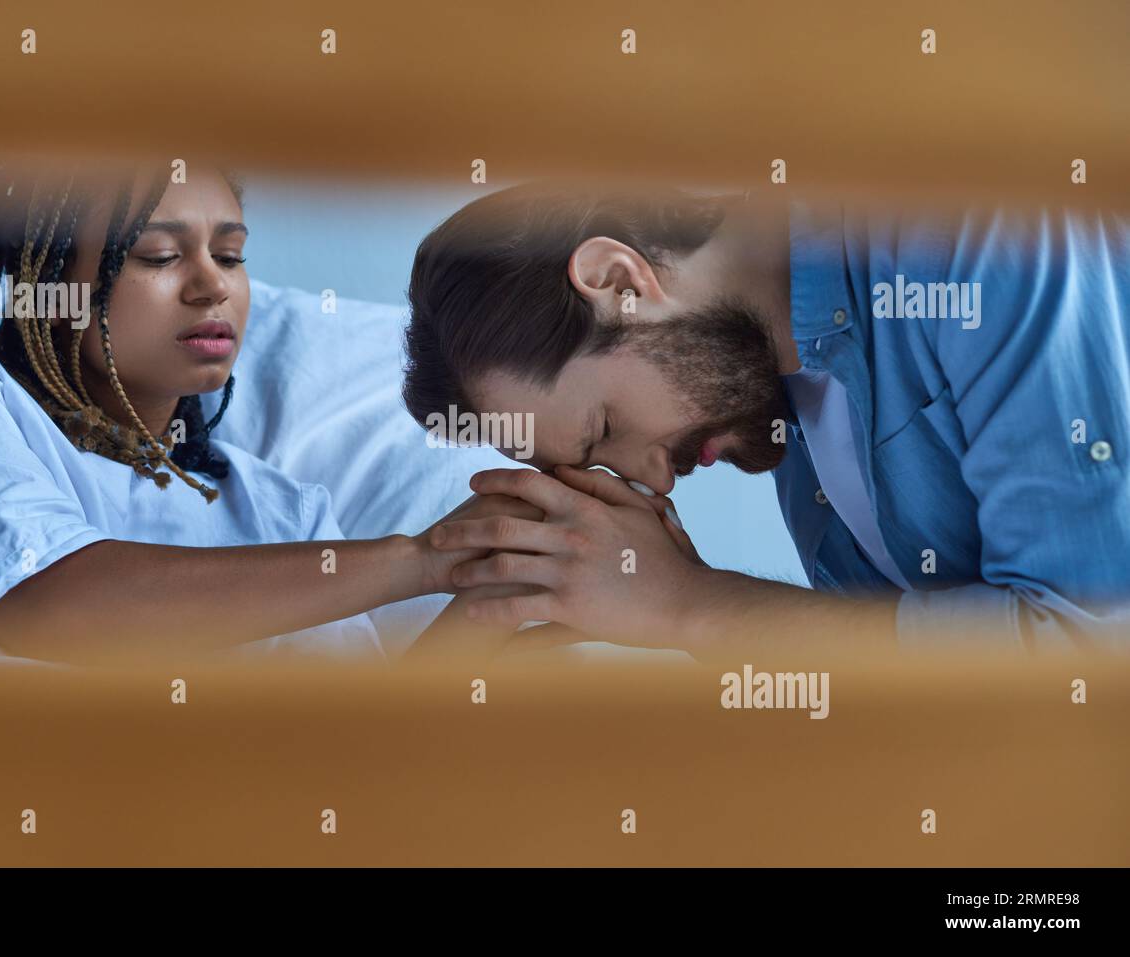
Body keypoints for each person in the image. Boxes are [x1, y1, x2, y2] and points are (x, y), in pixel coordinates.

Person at [0, 160, 533, 665]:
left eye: (230, 255)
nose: (212, 287)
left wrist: (502, 574)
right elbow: (40, 608)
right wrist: (420, 559)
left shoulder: (284, 516)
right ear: (41, 278)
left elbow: (361, 751)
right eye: (159, 254)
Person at [401, 180, 1130, 652]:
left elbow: (1089, 648)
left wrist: (694, 605)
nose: (657, 478)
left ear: (620, 281)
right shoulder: (779, 412)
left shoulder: (965, 227)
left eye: (606, 431)